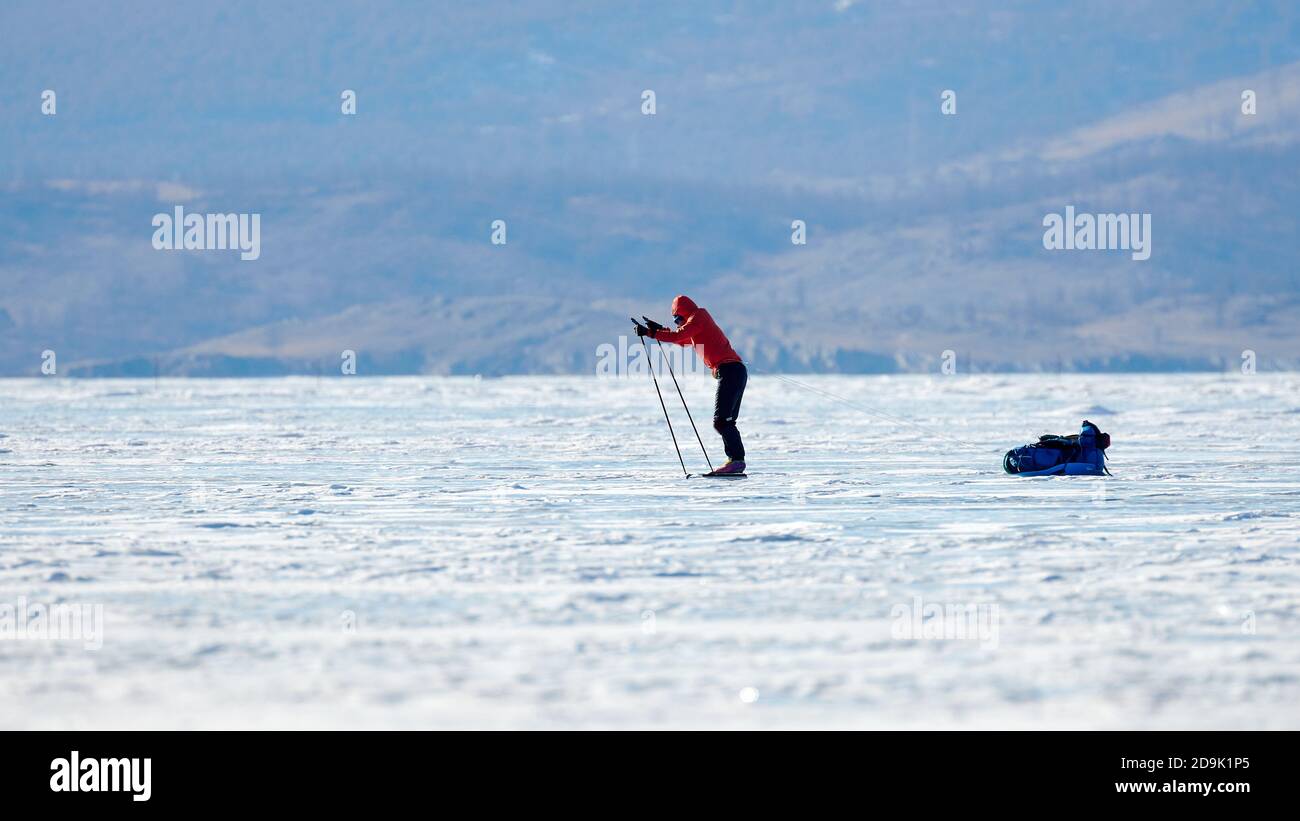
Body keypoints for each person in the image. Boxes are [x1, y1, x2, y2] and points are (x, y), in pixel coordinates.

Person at [636, 295, 748, 475]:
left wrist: (654, 333)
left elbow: (680, 334)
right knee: (725, 421)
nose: (677, 323)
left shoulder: (699, 316)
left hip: (731, 371)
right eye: (675, 320)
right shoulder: (696, 325)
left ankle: (736, 462)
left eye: (678, 318)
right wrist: (656, 331)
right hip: (732, 372)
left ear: (685, 313)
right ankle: (735, 461)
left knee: (722, 421)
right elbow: (682, 340)